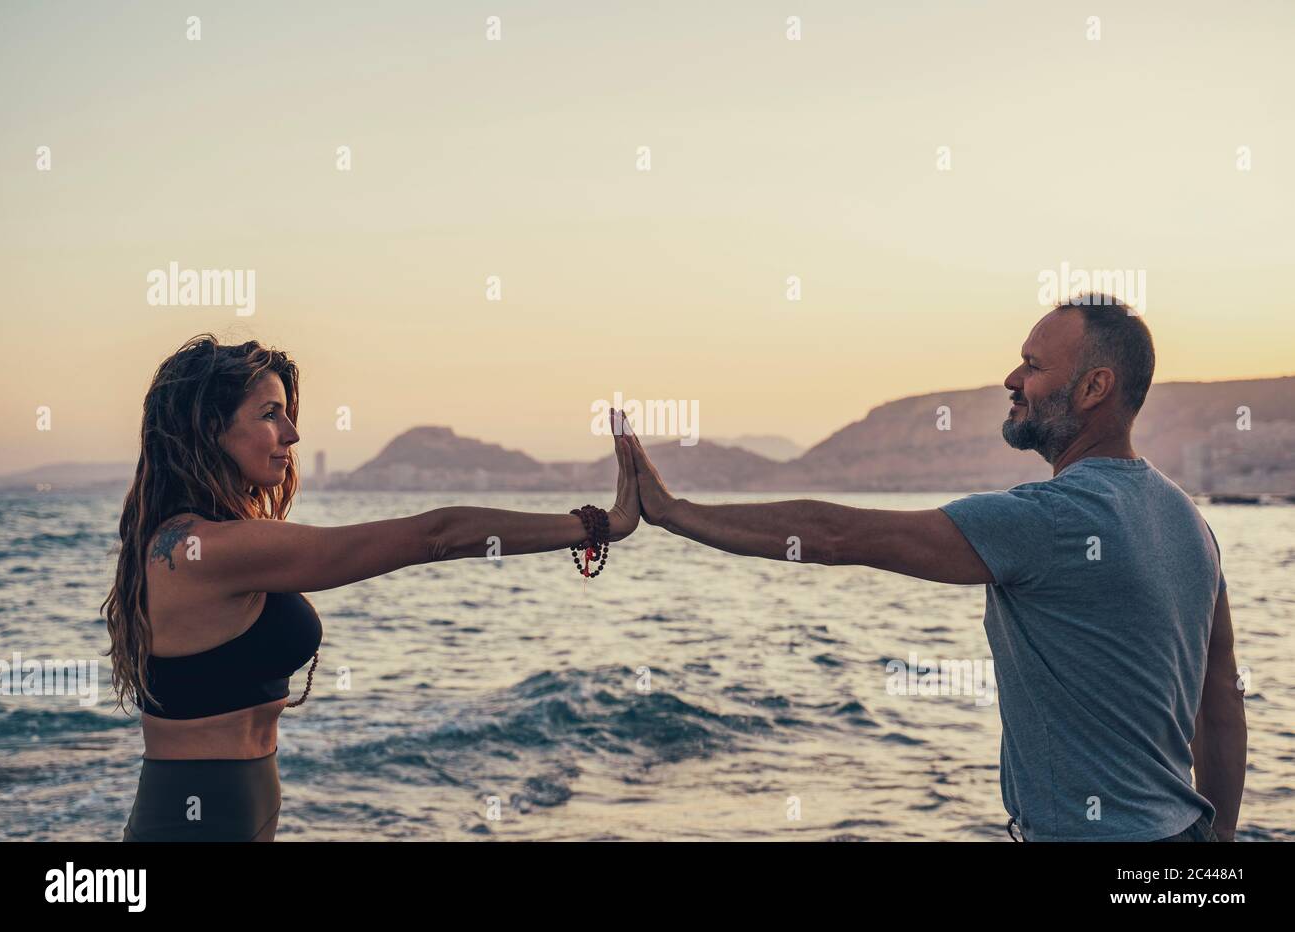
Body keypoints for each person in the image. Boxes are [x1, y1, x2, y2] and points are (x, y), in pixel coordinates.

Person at [622, 294, 1247, 842]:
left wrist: (675, 512)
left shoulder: (1051, 520)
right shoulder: (1187, 520)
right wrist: (1218, 841)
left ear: (1093, 388)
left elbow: (839, 536)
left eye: (1032, 366)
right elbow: (1220, 703)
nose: (1011, 378)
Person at [105, 333, 638, 841]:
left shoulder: (209, 540)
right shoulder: (205, 549)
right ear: (208, 429)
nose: (291, 434)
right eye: (270, 414)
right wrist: (599, 524)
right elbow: (436, 536)